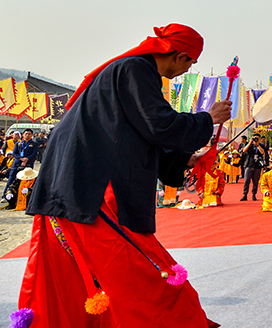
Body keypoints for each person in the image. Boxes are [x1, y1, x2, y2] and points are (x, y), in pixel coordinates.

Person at [17, 23, 231, 327]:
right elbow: (159, 124)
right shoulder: (136, 71)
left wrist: (185, 158)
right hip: (93, 194)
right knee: (143, 277)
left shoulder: (128, 71)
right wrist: (207, 119)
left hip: (72, 186)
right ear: (179, 56)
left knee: (82, 280)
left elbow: (136, 134)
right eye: (190, 63)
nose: (187, 70)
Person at [240, 135, 267, 201]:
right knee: (246, 181)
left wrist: (257, 145)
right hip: (249, 165)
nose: (256, 139)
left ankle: (254, 195)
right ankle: (245, 195)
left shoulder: (261, 145)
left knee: (255, 182)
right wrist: (250, 143)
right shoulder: (250, 145)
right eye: (254, 138)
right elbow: (244, 151)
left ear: (260, 139)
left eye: (257, 138)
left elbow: (263, 152)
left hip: (257, 166)